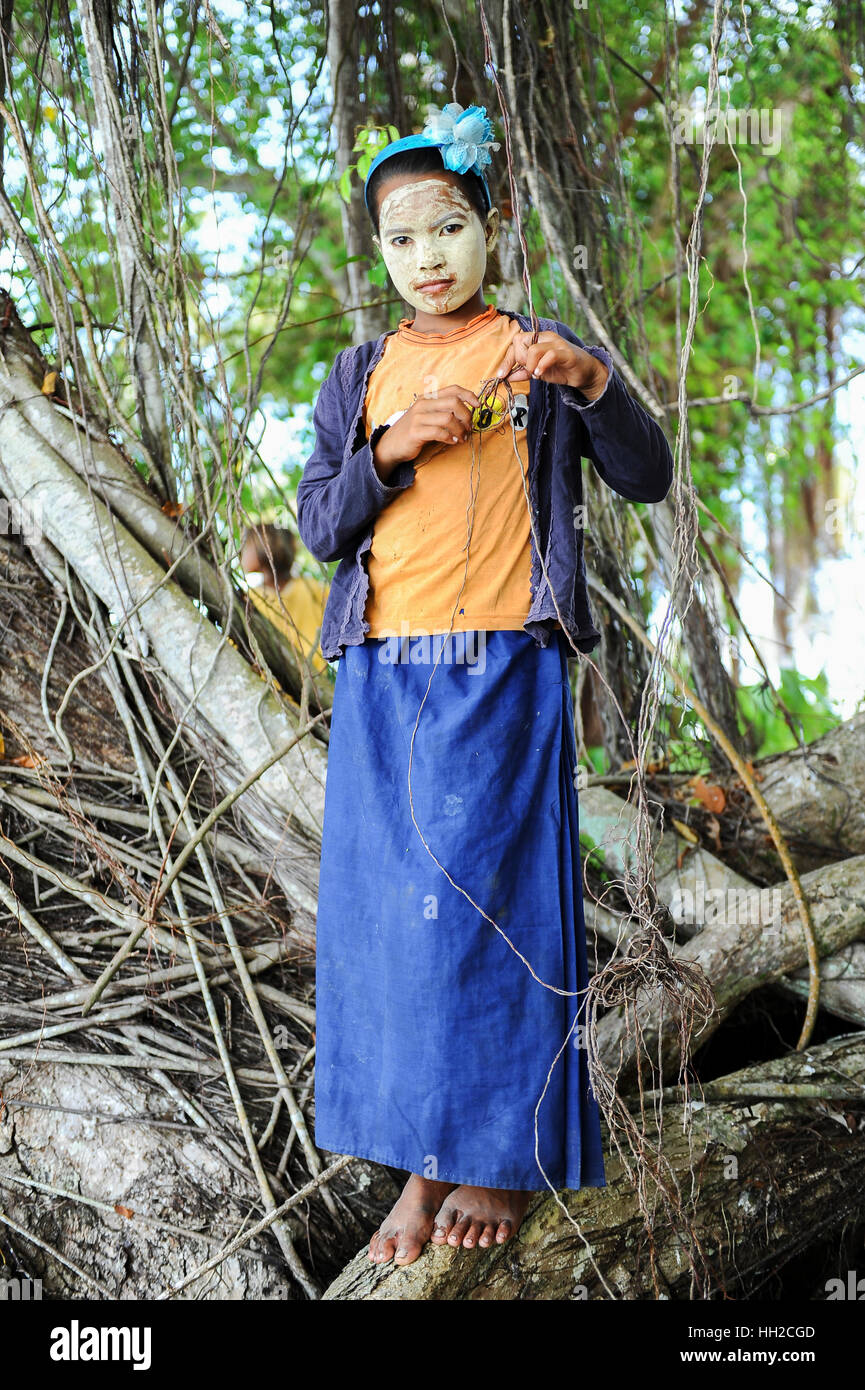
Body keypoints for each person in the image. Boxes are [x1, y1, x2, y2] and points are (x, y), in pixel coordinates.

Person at [296, 102, 674, 1268]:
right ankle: (421, 1160)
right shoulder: (360, 377)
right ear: (380, 255)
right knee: (394, 933)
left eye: (449, 227)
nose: (429, 257)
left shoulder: (538, 351)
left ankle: (497, 1165)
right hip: (382, 679)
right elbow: (318, 525)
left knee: (492, 916)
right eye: (403, 239)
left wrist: (591, 378)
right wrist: (392, 448)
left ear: (491, 225)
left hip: (502, 669)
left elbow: (648, 475)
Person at [239, 522, 330, 678]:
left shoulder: (313, 589)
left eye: (246, 546)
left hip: (312, 683)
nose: (240, 552)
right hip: (275, 684)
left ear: (264, 550)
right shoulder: (249, 598)